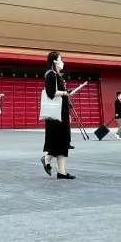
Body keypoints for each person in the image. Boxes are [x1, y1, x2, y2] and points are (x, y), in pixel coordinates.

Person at [40, 51, 75, 179]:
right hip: (55, 115)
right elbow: (51, 92)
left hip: (62, 113)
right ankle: (48, 159)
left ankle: (61, 171)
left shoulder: (58, 75)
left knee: (63, 142)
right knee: (59, 141)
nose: (63, 61)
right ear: (55, 61)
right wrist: (65, 93)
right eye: (61, 59)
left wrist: (66, 93)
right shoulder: (51, 74)